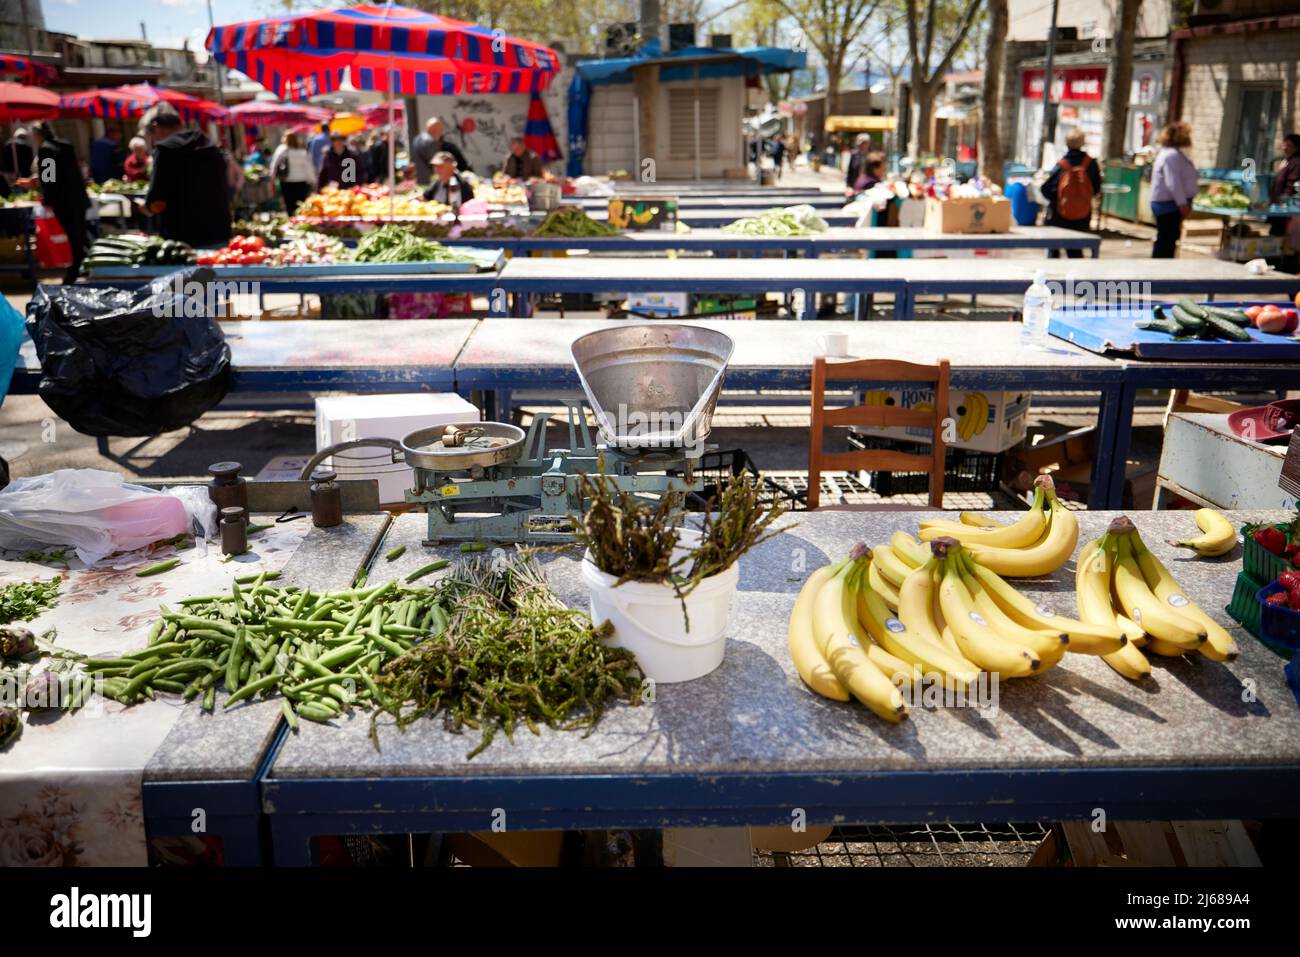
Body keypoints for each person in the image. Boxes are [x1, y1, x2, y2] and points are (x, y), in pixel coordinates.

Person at [138, 103, 232, 248]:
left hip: (184, 240)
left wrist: (146, 208)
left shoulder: (165, 150)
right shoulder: (209, 145)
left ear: (157, 128)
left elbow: (158, 199)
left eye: (151, 135)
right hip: (219, 233)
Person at [16, 122, 89, 283]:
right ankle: (82, 267)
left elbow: (50, 178)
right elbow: (62, 171)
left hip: (64, 202)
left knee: (71, 238)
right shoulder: (65, 144)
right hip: (78, 198)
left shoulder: (46, 149)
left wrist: (47, 200)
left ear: (37, 135)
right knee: (79, 236)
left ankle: (73, 272)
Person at [1039, 127, 1102, 259]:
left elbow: (1046, 188)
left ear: (1066, 143)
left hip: (1058, 216)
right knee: (1075, 252)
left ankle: (1052, 278)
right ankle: (1077, 278)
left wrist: (1058, 200)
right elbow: (1096, 189)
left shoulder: (1062, 164)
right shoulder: (1091, 164)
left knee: (1054, 251)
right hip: (1082, 216)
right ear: (1083, 142)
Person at [1149, 121, 1199, 258]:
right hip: (1168, 205)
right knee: (1166, 240)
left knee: (1169, 239)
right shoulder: (1171, 155)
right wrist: (1182, 203)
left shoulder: (1173, 154)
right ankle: (1159, 270)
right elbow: (1173, 182)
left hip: (1170, 205)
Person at [411, 117, 470, 186]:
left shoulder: (417, 139)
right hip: (430, 182)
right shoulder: (431, 142)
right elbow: (437, 163)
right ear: (435, 129)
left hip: (420, 180)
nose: (441, 132)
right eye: (440, 130)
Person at [271, 130, 315, 214]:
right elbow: (309, 168)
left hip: (286, 181)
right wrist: (313, 180)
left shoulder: (281, 150)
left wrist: (272, 177)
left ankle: (292, 221)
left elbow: (274, 164)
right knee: (301, 205)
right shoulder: (302, 152)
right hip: (302, 182)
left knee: (289, 204)